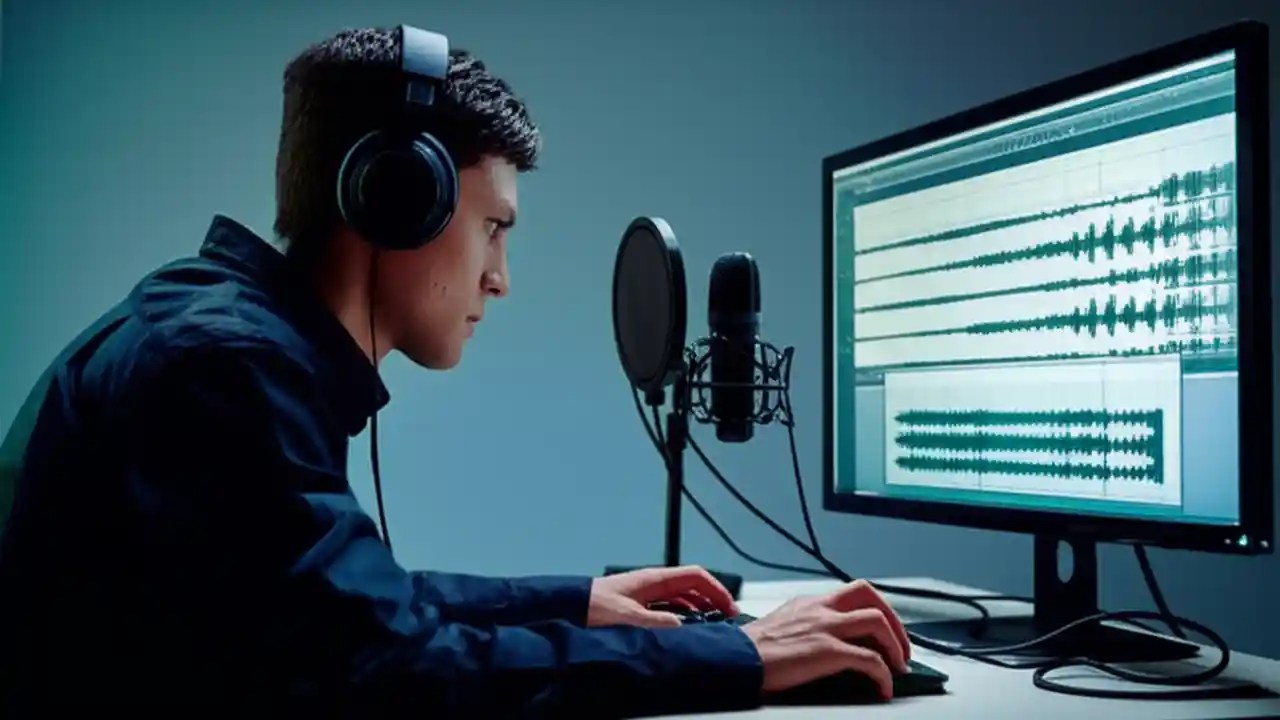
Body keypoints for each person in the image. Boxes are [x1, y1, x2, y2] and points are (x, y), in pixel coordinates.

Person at [0, 24, 911, 715]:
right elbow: (384, 664)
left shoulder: (212, 327)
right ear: (398, 196)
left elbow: (345, 609)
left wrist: (578, 601)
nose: (500, 279)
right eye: (496, 227)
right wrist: (745, 658)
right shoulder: (224, 367)